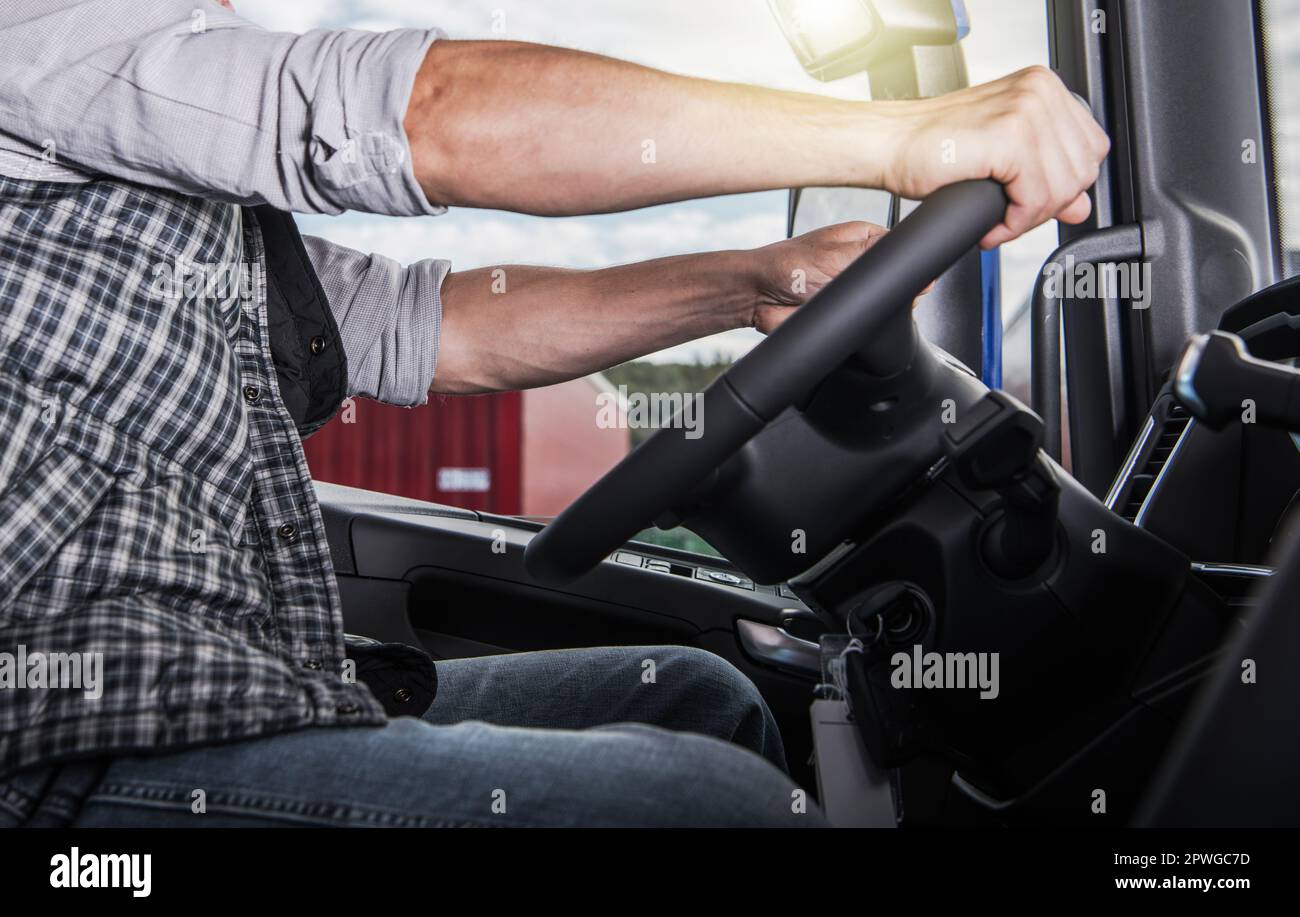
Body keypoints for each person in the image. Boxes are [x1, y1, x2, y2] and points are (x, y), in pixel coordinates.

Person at [0, 0, 1108, 827]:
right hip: (62, 749)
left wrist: (751, 280)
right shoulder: (49, 33)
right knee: (700, 805)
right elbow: (419, 118)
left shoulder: (157, 191)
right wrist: (901, 137)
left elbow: (429, 325)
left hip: (226, 681)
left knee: (697, 697)